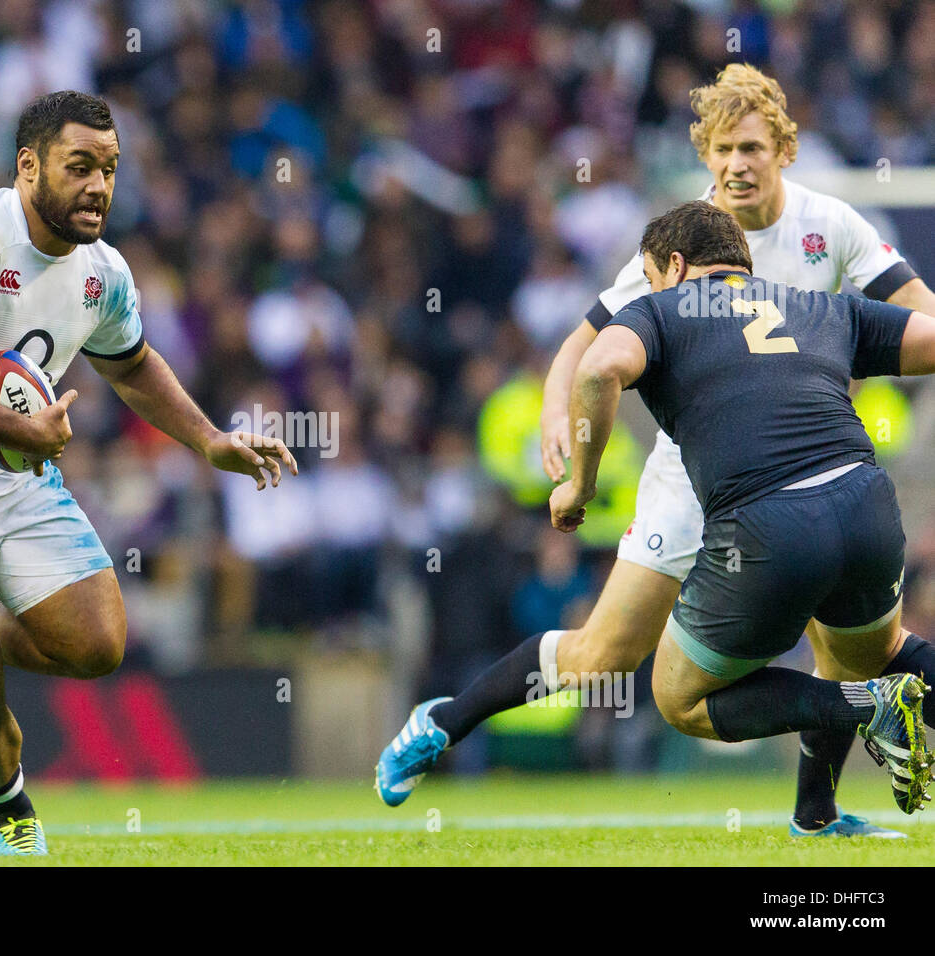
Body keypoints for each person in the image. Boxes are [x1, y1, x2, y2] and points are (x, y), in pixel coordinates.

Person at [376, 64, 935, 836]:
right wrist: (553, 417)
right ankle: (442, 719)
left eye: (750, 148)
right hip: (693, 474)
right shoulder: (681, 243)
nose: (736, 166)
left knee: (844, 648)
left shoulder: (829, 223)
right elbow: (586, 342)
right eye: (721, 151)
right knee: (605, 654)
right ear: (704, 158)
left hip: (790, 462)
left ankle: (818, 812)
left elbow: (918, 312)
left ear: (784, 150)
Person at [0, 90, 297, 856]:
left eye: (110, 170)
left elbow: (134, 364)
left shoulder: (104, 273)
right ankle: (10, 815)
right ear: (28, 166)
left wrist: (209, 440)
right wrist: (21, 430)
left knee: (98, 645)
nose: (99, 187)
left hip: (11, 474)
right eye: (80, 167)